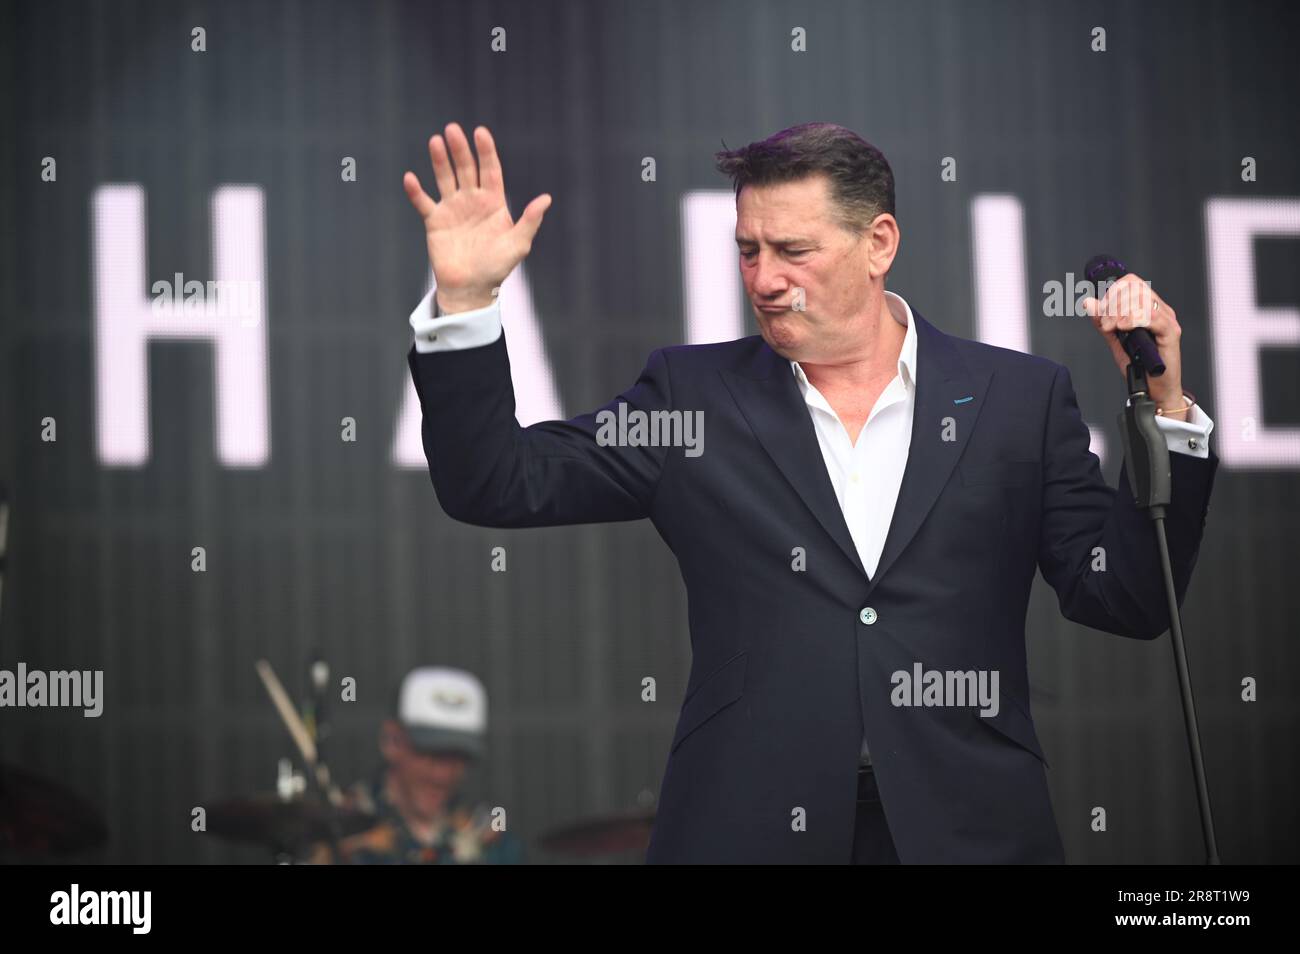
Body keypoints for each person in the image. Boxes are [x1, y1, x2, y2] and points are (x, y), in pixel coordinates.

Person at [399, 122, 1217, 864]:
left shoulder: (1017, 399)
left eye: (793, 250)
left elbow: (1128, 599)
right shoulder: (694, 398)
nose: (764, 278)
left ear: (878, 242)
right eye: (748, 250)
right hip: (745, 825)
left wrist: (1170, 415)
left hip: (969, 829)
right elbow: (498, 482)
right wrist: (466, 303)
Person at [309, 666, 522, 864]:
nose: (443, 773)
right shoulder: (343, 832)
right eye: (430, 753)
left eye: (458, 756)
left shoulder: (491, 840)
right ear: (392, 740)